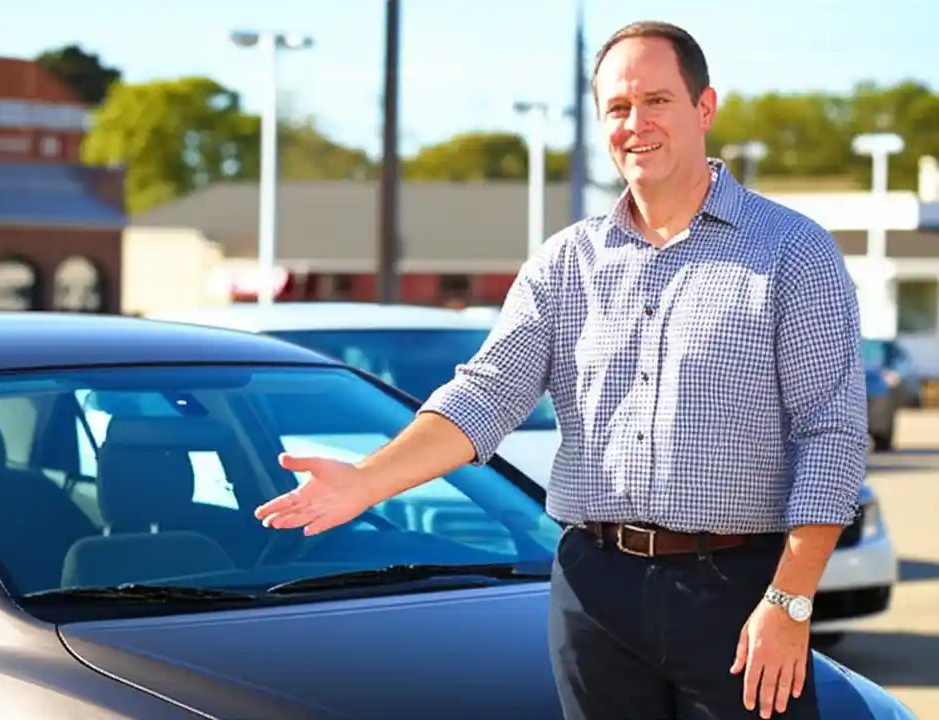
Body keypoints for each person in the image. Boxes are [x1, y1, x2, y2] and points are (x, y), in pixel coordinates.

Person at [255, 19, 867, 720]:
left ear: (705, 108)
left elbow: (833, 435)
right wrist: (368, 480)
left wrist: (789, 601)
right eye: (617, 107)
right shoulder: (565, 262)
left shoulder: (793, 252)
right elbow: (485, 395)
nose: (635, 123)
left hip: (737, 589)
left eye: (657, 101)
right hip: (593, 589)